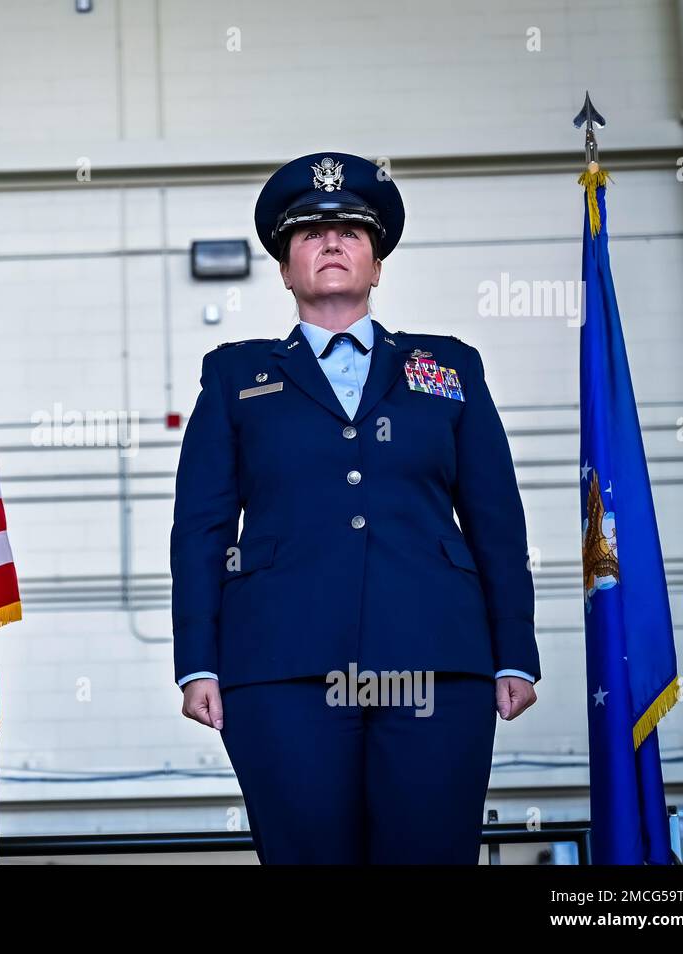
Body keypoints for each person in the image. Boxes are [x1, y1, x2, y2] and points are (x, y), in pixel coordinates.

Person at [170, 152, 540, 864]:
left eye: (350, 231)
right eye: (309, 233)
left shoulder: (449, 367)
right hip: (281, 667)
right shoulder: (234, 375)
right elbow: (201, 528)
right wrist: (197, 662)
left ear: (376, 264)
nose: (331, 241)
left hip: (435, 656)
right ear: (284, 270)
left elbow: (495, 517)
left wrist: (514, 652)